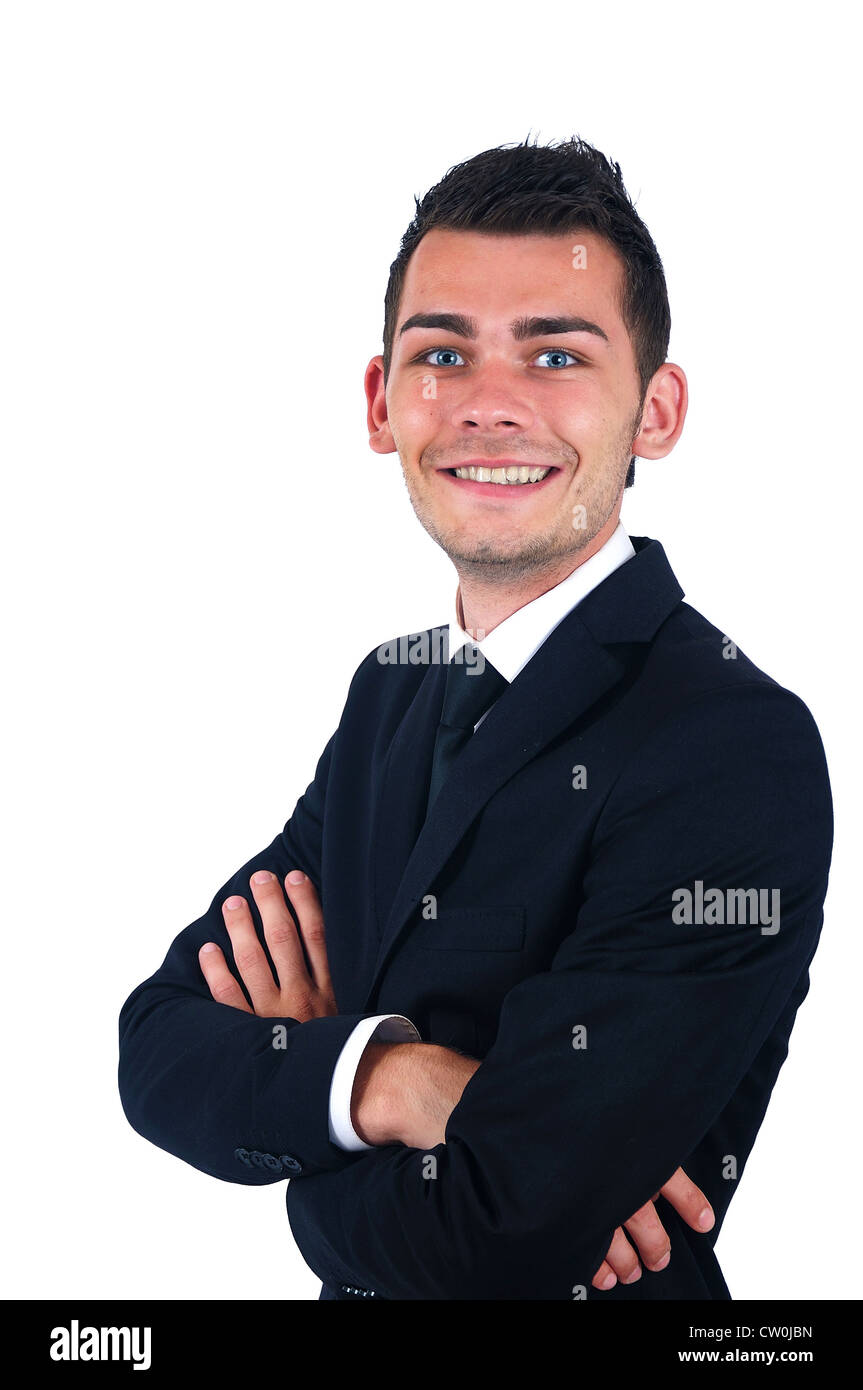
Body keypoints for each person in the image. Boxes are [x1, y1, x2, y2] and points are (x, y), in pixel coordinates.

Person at [118, 137, 833, 1300]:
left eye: (554, 353)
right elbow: (154, 1050)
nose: (490, 404)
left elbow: (498, 1232)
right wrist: (394, 1082)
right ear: (380, 400)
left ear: (655, 412)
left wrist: (314, 1107)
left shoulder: (729, 741)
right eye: (442, 352)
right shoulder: (389, 696)